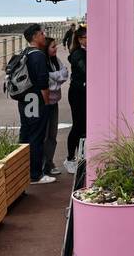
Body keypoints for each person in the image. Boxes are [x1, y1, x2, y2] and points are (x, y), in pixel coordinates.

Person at [16, 23, 53, 184]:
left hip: (24, 101)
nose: (44, 36)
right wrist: (47, 103)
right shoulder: (38, 55)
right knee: (37, 137)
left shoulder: (25, 53)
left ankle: (22, 170)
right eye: (42, 34)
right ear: (35, 36)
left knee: (25, 135)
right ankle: (36, 174)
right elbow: (43, 83)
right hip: (37, 101)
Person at [42, 37, 70, 177]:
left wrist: (54, 77)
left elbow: (65, 74)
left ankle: (49, 162)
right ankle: (43, 165)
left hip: (54, 103)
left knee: (52, 135)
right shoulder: (42, 62)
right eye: (53, 47)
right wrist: (56, 78)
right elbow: (50, 83)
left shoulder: (55, 60)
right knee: (44, 135)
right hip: (45, 103)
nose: (56, 49)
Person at [63, 26, 87, 174]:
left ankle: (83, 157)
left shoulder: (85, 52)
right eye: (87, 36)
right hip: (78, 93)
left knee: (84, 126)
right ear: (80, 39)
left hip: (83, 92)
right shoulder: (78, 54)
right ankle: (70, 158)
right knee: (78, 126)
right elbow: (87, 70)